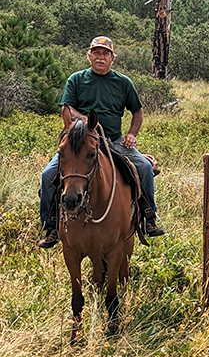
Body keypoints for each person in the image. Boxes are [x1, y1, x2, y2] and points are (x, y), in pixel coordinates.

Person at [38, 36, 164, 248]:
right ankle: (50, 226)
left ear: (112, 58)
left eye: (105, 53)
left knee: (143, 167)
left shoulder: (123, 82)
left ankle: (148, 218)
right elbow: (66, 110)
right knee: (48, 174)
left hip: (114, 141)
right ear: (89, 56)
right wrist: (87, 121)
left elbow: (138, 112)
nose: (100, 57)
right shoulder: (77, 80)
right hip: (82, 143)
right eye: (96, 52)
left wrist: (132, 134)